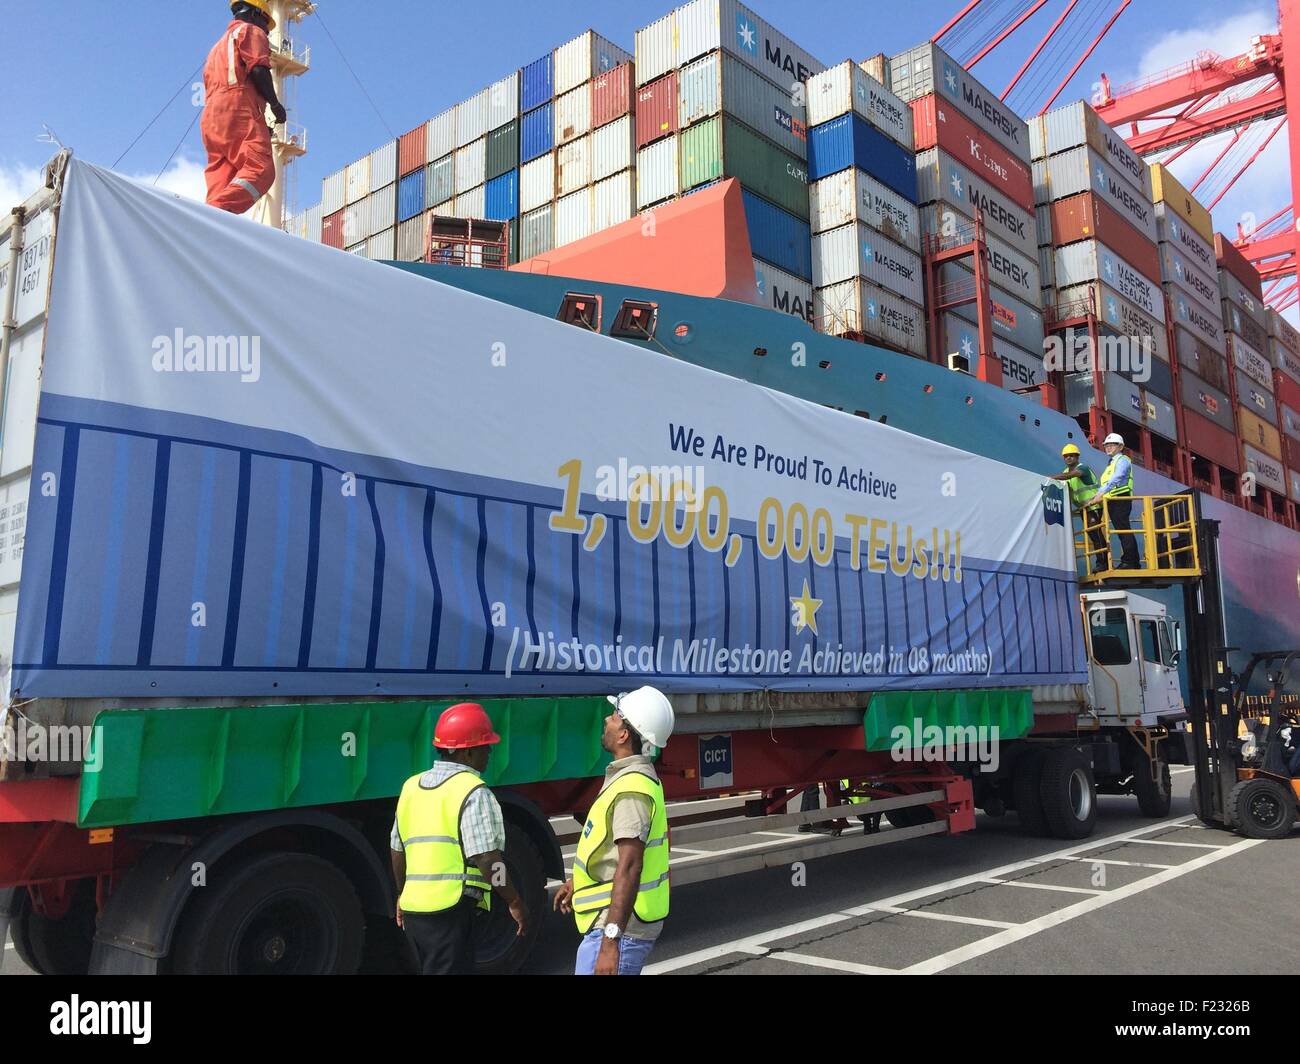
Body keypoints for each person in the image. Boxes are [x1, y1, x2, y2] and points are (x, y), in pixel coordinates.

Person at [391, 702, 530, 975]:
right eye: (485, 746)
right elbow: (487, 858)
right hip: (449, 909)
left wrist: (401, 894)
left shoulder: (411, 787)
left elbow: (397, 849)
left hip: (414, 908)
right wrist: (513, 900)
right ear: (467, 752)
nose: (489, 752)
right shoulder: (473, 791)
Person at [553, 686, 674, 975]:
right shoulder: (629, 780)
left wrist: (610, 941)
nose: (607, 719)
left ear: (623, 735)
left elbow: (630, 866)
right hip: (615, 924)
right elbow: (611, 854)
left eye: (615, 716)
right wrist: (580, 884)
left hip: (620, 930)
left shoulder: (632, 789)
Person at [200, 0, 286, 214]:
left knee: (222, 177)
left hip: (211, 118)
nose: (266, 31)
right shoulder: (250, 31)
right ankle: (216, 211)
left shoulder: (216, 47)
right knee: (261, 170)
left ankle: (209, 220)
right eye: (266, 23)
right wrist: (275, 105)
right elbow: (258, 68)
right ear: (255, 13)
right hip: (239, 108)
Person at [1049, 443, 1105, 569]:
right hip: (1084, 508)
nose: (1068, 458)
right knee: (1092, 535)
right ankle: (1101, 562)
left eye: (1071, 456)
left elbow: (1070, 476)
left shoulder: (1083, 468)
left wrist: (1051, 478)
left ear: (1077, 457)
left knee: (1096, 534)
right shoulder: (1065, 472)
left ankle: (1103, 563)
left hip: (1094, 506)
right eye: (1066, 456)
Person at [1094, 431, 1141, 569]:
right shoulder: (1111, 463)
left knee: (1123, 530)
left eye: (1112, 445)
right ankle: (1132, 561)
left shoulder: (1123, 460)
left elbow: (1118, 477)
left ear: (1120, 447)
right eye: (1106, 445)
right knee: (1122, 530)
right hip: (1113, 500)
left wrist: (1101, 493)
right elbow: (1105, 483)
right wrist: (1095, 496)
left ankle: (1130, 561)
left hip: (1121, 499)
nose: (1108, 447)